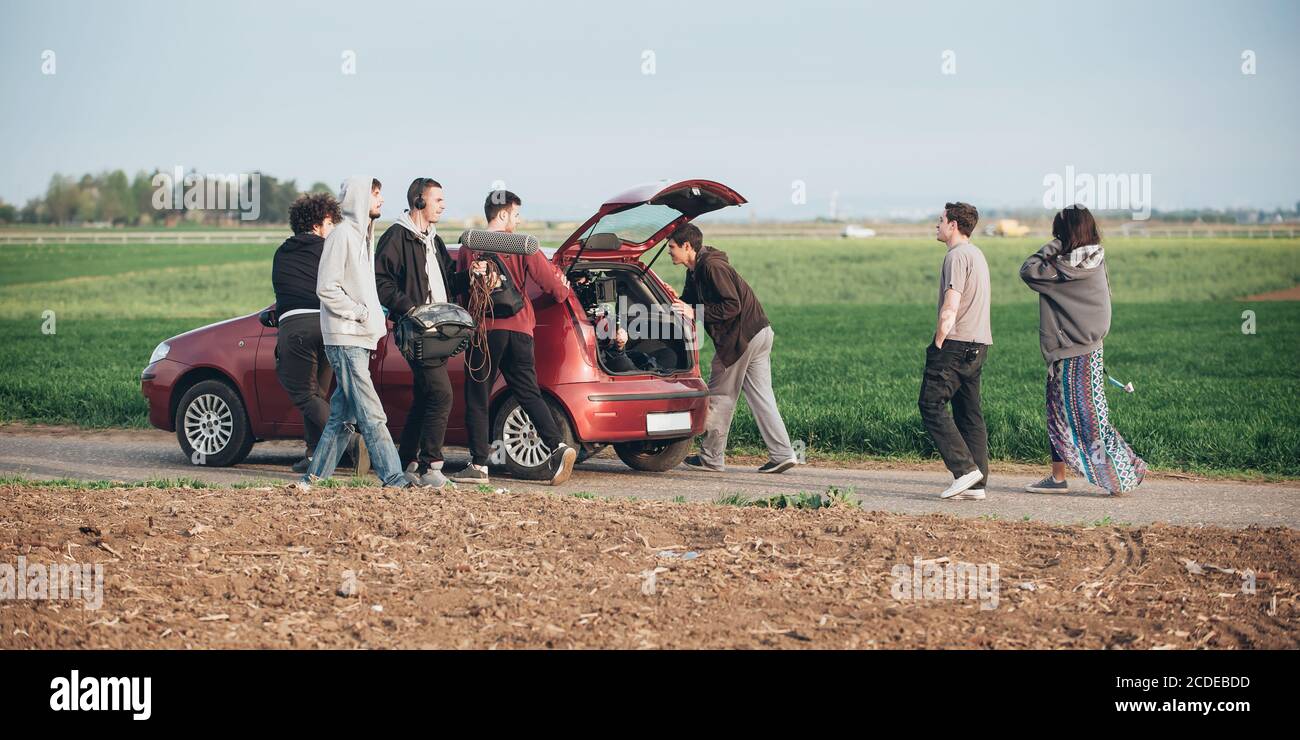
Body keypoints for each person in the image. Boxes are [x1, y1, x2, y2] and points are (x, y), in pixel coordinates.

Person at [449, 190, 577, 486]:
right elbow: (556, 290)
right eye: (516, 215)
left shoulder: (471, 244)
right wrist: (566, 285)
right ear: (503, 214)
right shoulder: (525, 246)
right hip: (520, 331)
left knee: (478, 397)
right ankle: (557, 446)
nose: (518, 221)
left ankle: (480, 465)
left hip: (486, 331)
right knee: (528, 393)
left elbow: (461, 290)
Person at [1020, 205, 1146, 494]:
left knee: (1081, 422)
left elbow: (1027, 270)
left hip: (1068, 356)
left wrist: (1056, 244)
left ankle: (1121, 476)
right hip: (1090, 351)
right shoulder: (1097, 261)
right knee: (1072, 417)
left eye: (1058, 232)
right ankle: (1058, 477)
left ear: (1064, 235)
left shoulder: (1058, 270)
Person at [296, 176, 410, 490]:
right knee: (372, 413)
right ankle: (394, 478)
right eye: (376, 194)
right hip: (345, 339)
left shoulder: (362, 238)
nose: (381, 200)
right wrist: (360, 312)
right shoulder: (342, 236)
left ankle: (312, 480)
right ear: (360, 197)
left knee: (341, 420)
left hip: (357, 339)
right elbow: (326, 288)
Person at [374, 178, 485, 488]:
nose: (443, 205)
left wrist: (471, 277)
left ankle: (407, 462)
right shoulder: (396, 237)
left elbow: (448, 282)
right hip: (414, 331)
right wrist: (410, 308)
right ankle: (432, 468)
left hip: (438, 332)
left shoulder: (433, 240)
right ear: (419, 202)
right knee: (441, 393)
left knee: (425, 396)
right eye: (437, 199)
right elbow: (381, 283)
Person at [668, 223, 797, 474]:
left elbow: (731, 306)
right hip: (759, 333)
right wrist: (675, 300)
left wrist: (694, 311)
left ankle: (711, 458)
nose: (669, 252)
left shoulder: (712, 267)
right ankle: (783, 453)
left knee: (720, 396)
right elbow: (689, 301)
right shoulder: (695, 270)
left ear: (686, 246)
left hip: (740, 339)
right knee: (762, 397)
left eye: (672, 247)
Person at [920, 202, 992, 501]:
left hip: (956, 344)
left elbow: (952, 304)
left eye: (940, 220)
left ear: (953, 225)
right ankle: (976, 483)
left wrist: (939, 341)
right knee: (968, 412)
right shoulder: (976, 254)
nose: (937, 225)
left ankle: (964, 470)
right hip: (979, 344)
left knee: (930, 404)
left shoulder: (956, 256)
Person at [272, 192, 341, 473]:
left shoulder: (282, 253)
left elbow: (284, 294)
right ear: (322, 222)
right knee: (317, 395)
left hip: (296, 327)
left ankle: (350, 440)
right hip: (328, 326)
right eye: (332, 223)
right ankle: (314, 454)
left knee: (303, 395)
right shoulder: (329, 250)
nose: (333, 229)